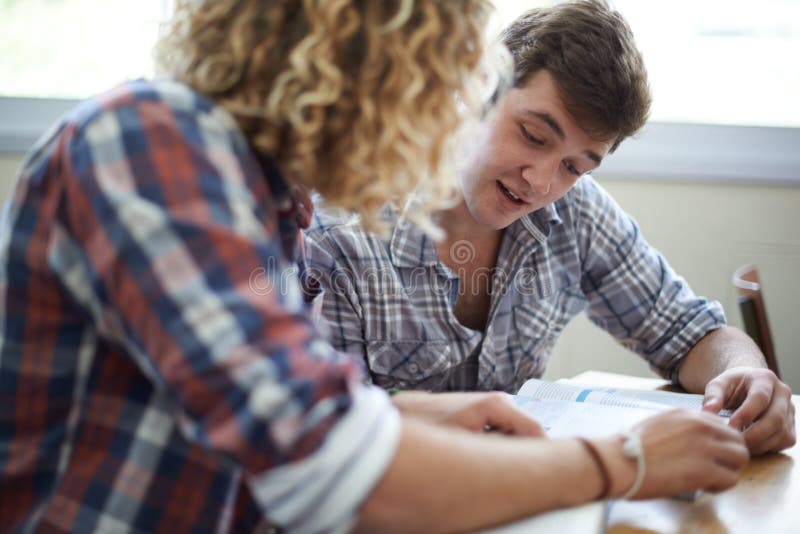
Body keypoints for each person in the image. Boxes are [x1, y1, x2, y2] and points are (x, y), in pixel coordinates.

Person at [0, 1, 750, 532]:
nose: (439, 116)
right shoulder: (151, 146)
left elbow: (275, 406)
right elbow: (333, 474)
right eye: (436, 81)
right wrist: (624, 460)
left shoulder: (265, 197)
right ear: (347, 62)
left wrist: (395, 411)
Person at [305, 0, 796, 458]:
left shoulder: (576, 213)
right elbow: (334, 447)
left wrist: (745, 373)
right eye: (534, 136)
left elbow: (688, 332)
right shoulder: (341, 234)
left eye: (575, 166)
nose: (540, 182)